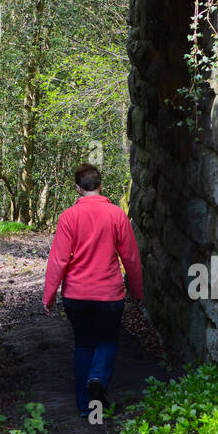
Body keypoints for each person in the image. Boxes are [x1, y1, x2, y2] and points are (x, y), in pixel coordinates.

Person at [42, 163, 143, 416]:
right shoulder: (117, 215)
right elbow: (130, 257)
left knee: (84, 345)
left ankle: (86, 407)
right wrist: (138, 291)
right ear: (101, 185)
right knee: (108, 341)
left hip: (76, 294)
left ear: (78, 188)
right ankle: (97, 378)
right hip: (109, 294)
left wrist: (49, 294)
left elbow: (59, 259)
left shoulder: (68, 217)